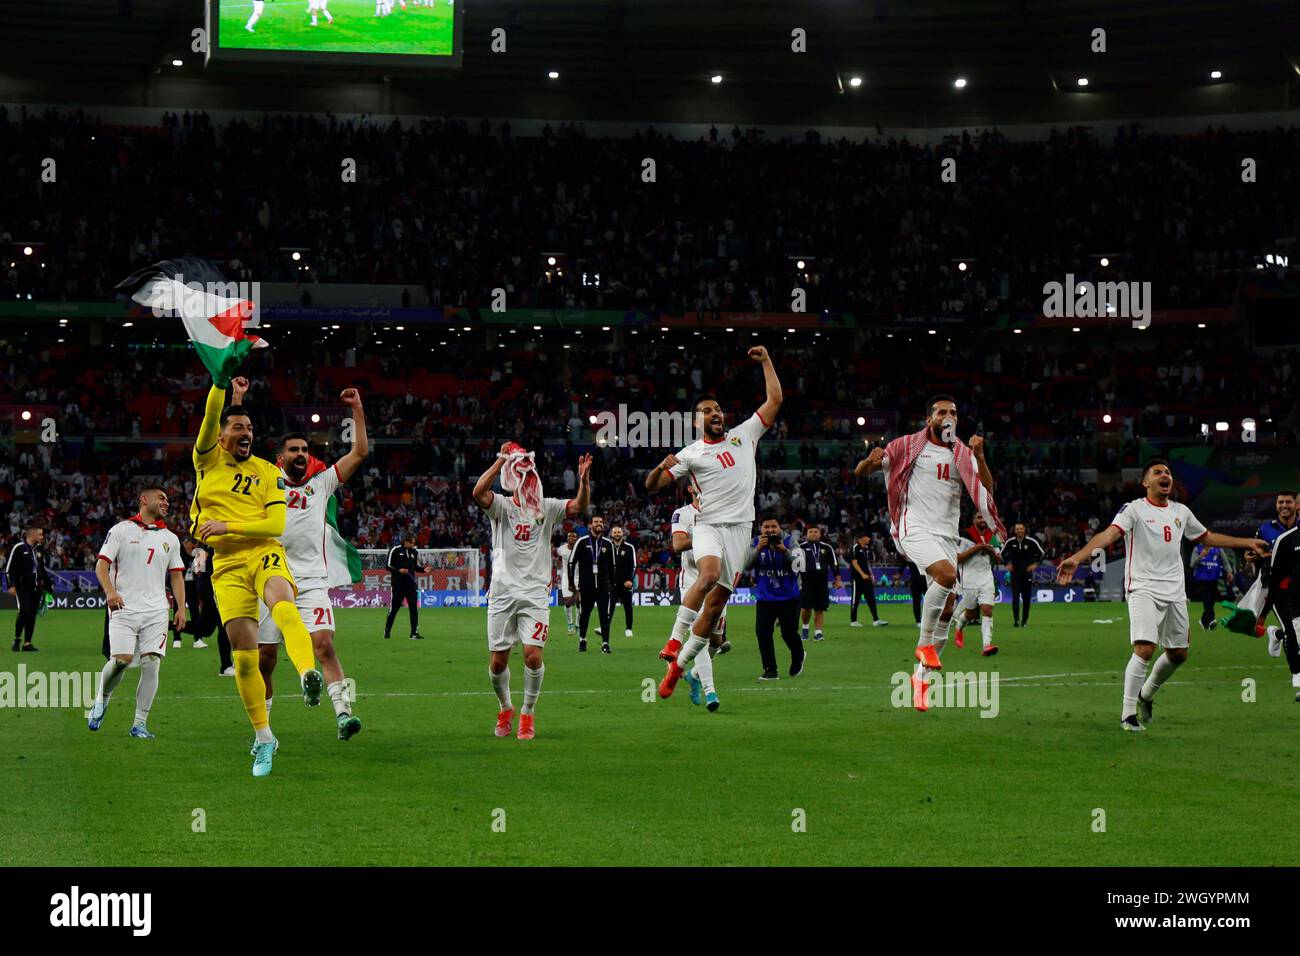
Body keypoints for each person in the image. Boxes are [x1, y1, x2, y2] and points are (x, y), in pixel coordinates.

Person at [1056, 458, 1268, 732]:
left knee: (1178, 653)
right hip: (1142, 587)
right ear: (1146, 482)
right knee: (1144, 648)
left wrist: (1247, 542)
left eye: (1167, 472)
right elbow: (1109, 535)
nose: (1164, 475)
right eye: (1158, 472)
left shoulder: (1181, 511)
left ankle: (1146, 695)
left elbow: (1207, 538)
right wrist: (1078, 558)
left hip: (1175, 591)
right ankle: (1128, 714)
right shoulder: (1133, 509)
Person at [190, 374, 323, 778]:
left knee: (282, 603)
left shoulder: (270, 471)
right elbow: (214, 412)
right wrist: (221, 384)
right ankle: (265, 738)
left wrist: (228, 526)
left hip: (262, 552)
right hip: (226, 566)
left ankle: (306, 674)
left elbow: (276, 524)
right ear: (221, 434)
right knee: (245, 660)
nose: (246, 432)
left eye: (250, 427)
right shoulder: (207, 459)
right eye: (238, 427)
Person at [648, 345, 782, 700]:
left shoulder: (745, 435)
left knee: (716, 606)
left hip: (740, 530)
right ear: (697, 421)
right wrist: (661, 467)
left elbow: (775, 400)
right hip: (707, 526)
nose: (715, 413)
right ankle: (675, 640)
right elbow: (652, 486)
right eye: (707, 411)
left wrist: (766, 361)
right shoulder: (691, 453)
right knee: (707, 576)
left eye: (717, 408)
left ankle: (678, 669)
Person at [855, 394, 1004, 712]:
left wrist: (980, 454)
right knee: (948, 575)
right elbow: (860, 473)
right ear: (929, 419)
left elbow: (986, 490)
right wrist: (870, 460)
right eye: (941, 412)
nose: (948, 415)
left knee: (948, 609)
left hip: (947, 536)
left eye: (953, 411)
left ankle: (919, 679)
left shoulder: (963, 453)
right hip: (913, 527)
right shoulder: (905, 446)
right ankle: (924, 647)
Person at [255, 384, 368, 742]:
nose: (302, 454)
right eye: (294, 450)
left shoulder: (321, 482)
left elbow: (360, 451)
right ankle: (264, 731)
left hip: (312, 582)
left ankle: (344, 714)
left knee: (324, 645)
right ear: (280, 457)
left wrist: (357, 409)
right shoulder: (265, 485)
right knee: (265, 661)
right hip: (271, 580)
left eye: (305, 449)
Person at [474, 443, 591, 740]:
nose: (525, 479)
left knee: (532, 657)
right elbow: (477, 493)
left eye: (528, 474)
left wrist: (584, 482)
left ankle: (527, 712)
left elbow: (578, 507)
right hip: (502, 592)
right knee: (498, 662)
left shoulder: (547, 508)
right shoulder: (501, 506)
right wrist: (501, 462)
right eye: (519, 473)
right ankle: (505, 707)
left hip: (535, 593)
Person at [87, 485, 186, 738]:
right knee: (121, 661)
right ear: (144, 499)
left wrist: (180, 608)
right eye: (161, 498)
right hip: (124, 607)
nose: (166, 503)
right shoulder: (121, 530)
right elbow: (101, 566)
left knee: (152, 664)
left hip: (156, 611)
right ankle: (102, 698)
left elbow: (176, 576)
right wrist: (110, 591)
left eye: (167, 500)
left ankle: (139, 723)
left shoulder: (170, 539)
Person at [668, 491, 728, 711]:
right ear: (692, 489)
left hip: (719, 580)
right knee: (699, 634)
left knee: (716, 641)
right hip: (693, 580)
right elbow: (678, 543)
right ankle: (710, 691)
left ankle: (694, 676)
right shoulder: (682, 514)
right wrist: (707, 539)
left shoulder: (724, 513)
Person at [750, 516, 807, 680]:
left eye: (773, 526)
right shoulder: (755, 542)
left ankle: (798, 656)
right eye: (766, 527)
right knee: (763, 633)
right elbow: (745, 565)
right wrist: (758, 549)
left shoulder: (790, 541)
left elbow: (800, 565)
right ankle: (770, 670)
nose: (770, 530)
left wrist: (784, 551)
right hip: (765, 598)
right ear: (761, 528)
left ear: (779, 527)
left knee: (788, 633)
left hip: (788, 597)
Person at [954, 513, 1000, 656]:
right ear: (974, 520)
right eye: (979, 517)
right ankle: (959, 627)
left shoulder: (992, 537)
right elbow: (957, 558)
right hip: (969, 579)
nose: (982, 520)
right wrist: (976, 548)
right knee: (971, 614)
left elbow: (998, 560)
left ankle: (986, 645)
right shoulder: (965, 536)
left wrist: (991, 551)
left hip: (986, 578)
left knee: (987, 610)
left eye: (984, 518)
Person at [569, 515, 614, 653]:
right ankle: (582, 640)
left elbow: (613, 566)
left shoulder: (608, 544)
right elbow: (571, 562)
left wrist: (611, 583)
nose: (599, 524)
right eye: (596, 522)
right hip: (586, 586)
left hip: (602, 586)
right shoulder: (582, 542)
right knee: (585, 614)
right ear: (590, 525)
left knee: (604, 615)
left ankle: (605, 644)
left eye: (601, 522)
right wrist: (572, 583)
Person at [5, 523, 50, 652]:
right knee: (24, 611)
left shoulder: (38, 550)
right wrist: (10, 585)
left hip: (35, 588)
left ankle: (27, 643)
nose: (42, 537)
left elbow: (41, 569)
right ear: (32, 534)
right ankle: (17, 638)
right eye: (40, 534)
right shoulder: (19, 548)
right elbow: (9, 569)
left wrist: (48, 585)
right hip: (22, 587)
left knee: (32, 614)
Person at [799, 525, 842, 640]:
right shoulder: (800, 547)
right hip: (806, 583)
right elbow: (794, 566)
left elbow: (834, 564)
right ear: (806, 534)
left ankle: (818, 632)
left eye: (816, 532)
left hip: (822, 583)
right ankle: (805, 628)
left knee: (820, 608)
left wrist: (837, 579)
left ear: (820, 534)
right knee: (806, 608)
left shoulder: (827, 547)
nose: (813, 534)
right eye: (811, 532)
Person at [999, 523, 1045, 628]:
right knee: (1015, 597)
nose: (1019, 530)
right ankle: (1016, 620)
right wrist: (1007, 564)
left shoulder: (1031, 542)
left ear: (1025, 530)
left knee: (1026, 598)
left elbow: (1042, 554)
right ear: (1015, 531)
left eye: (1021, 529)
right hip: (1015, 573)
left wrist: (1036, 564)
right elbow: (1001, 554)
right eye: (1017, 529)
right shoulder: (1010, 542)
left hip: (1027, 573)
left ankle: (1024, 621)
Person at [384, 534, 426, 640]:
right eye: (412, 542)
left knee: (413, 609)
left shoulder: (414, 552)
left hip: (411, 585)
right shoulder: (395, 549)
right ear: (406, 541)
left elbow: (415, 567)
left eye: (414, 543)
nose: (413, 544)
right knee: (394, 609)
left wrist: (423, 570)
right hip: (398, 584)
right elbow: (387, 566)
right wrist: (399, 570)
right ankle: (387, 631)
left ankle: (414, 633)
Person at [847, 530, 884, 628]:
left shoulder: (867, 549)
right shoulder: (854, 548)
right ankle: (853, 621)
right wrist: (862, 574)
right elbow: (854, 563)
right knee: (856, 600)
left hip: (867, 578)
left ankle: (876, 620)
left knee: (871, 599)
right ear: (861, 538)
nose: (869, 539)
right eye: (867, 537)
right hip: (857, 579)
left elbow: (868, 564)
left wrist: (871, 575)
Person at [1189, 540, 1227, 630]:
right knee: (1207, 600)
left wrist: (1229, 572)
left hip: (1214, 578)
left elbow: (1225, 562)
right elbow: (1192, 564)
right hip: (1202, 578)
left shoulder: (1218, 549)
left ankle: (1203, 620)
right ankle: (1212, 619)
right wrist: (1201, 556)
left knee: (1212, 600)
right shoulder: (1197, 548)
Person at [609, 526, 637, 639]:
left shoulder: (629, 547)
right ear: (611, 534)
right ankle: (605, 627)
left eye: (618, 532)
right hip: (612, 584)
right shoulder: (607, 547)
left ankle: (629, 629)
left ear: (622, 534)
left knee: (628, 607)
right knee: (609, 607)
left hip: (626, 583)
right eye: (614, 532)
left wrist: (630, 580)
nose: (616, 534)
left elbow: (634, 565)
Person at [556, 531, 579, 634]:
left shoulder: (581, 548)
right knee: (568, 602)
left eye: (574, 536)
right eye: (569, 535)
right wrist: (557, 572)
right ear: (567, 538)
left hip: (579, 577)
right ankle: (570, 623)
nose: (571, 537)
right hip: (566, 577)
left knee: (579, 601)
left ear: (577, 538)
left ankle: (578, 625)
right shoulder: (562, 549)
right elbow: (559, 559)